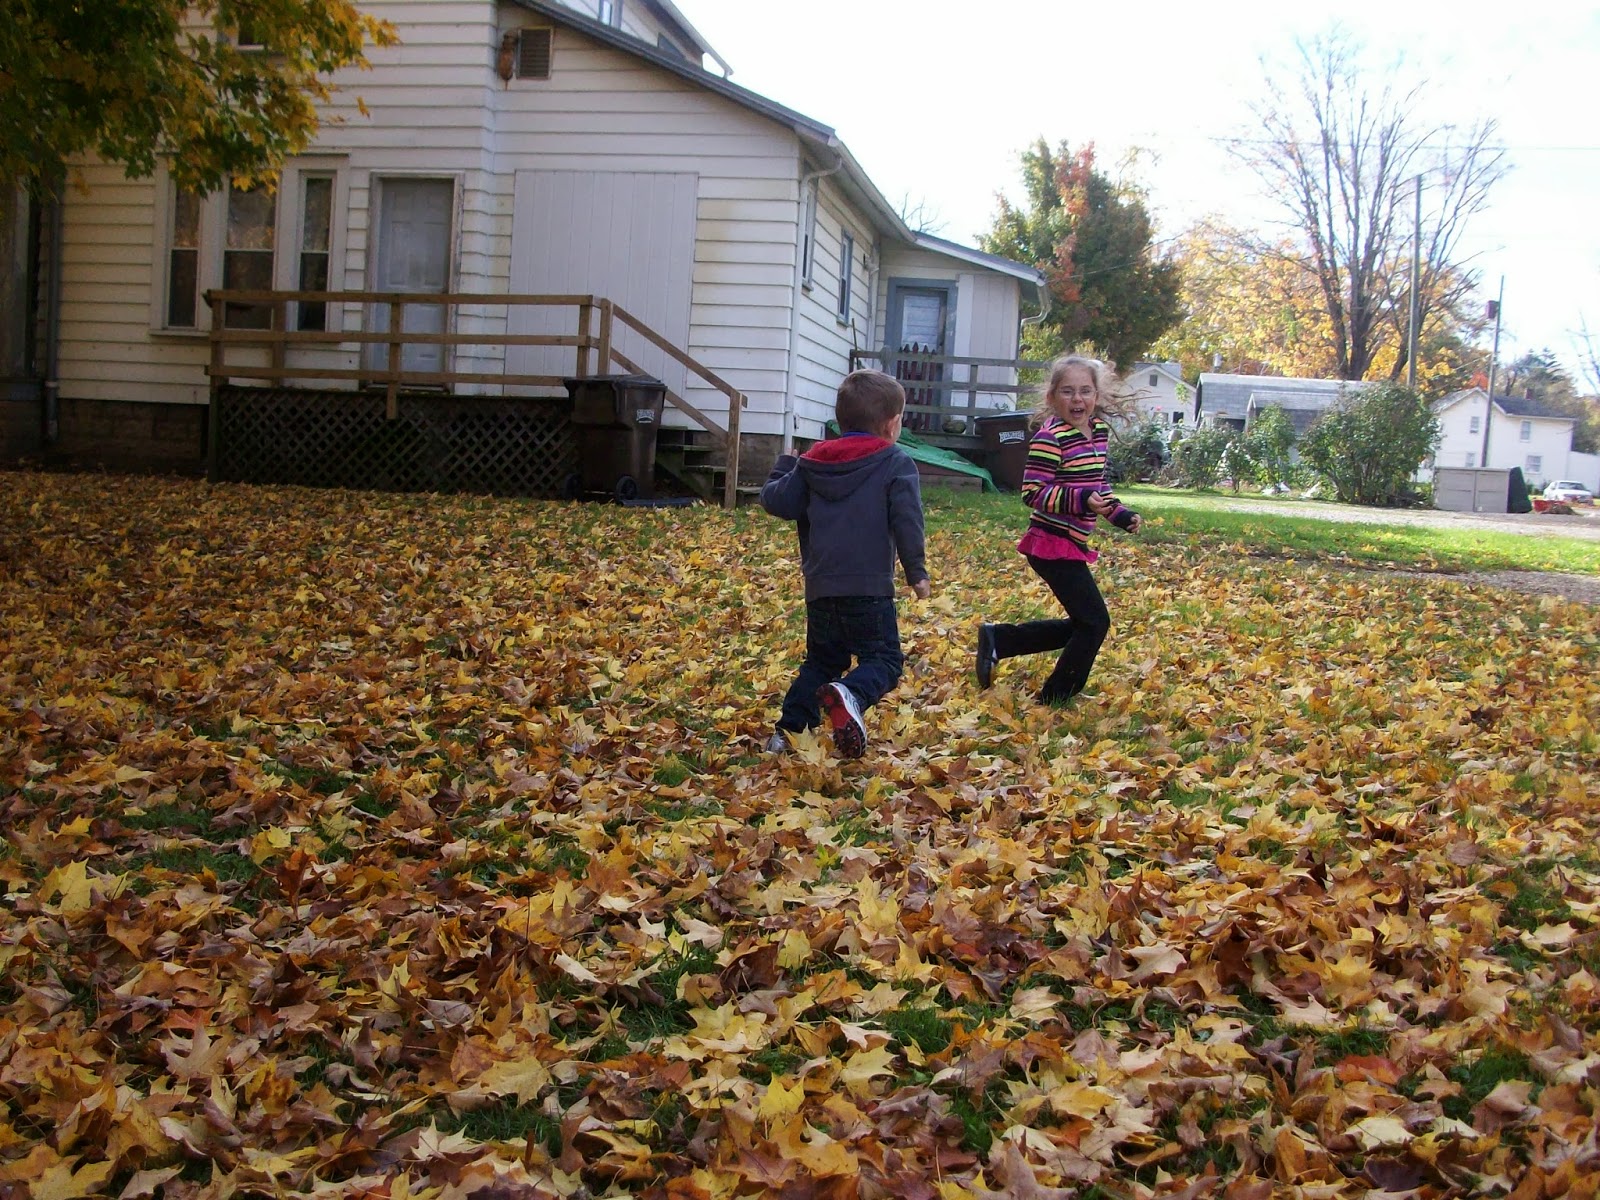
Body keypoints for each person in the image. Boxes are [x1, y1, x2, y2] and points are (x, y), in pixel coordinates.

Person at [760, 369, 932, 758]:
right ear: (891, 424)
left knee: (822, 660)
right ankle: (849, 694)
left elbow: (777, 502)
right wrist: (916, 572)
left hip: (821, 589)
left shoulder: (811, 464)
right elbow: (907, 519)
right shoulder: (895, 462)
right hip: (869, 589)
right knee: (885, 660)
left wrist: (784, 466)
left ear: (841, 421)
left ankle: (788, 734)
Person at [974, 354, 1141, 705]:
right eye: (1067, 391)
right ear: (1052, 397)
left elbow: (1099, 487)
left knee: (1085, 623)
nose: (1077, 399)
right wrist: (1080, 500)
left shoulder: (1095, 433)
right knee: (1095, 622)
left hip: (1070, 543)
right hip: (1050, 544)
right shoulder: (1051, 437)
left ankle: (1000, 640)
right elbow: (1033, 493)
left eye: (1085, 391)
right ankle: (1056, 696)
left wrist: (1121, 515)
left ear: (1096, 396)